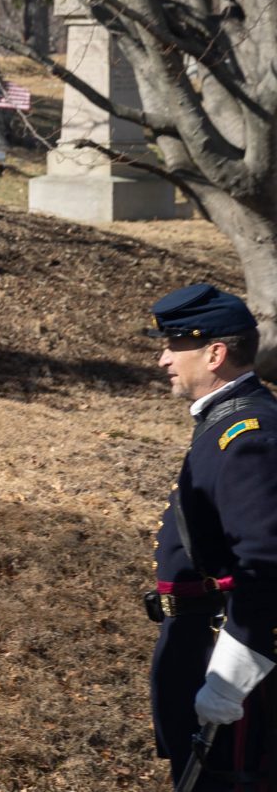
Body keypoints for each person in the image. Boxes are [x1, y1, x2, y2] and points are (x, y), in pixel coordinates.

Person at [142, 282, 277, 789]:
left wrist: (230, 681)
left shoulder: (247, 435)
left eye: (173, 346)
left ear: (215, 354)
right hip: (199, 643)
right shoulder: (225, 423)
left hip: (228, 659)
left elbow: (265, 565)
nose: (163, 359)